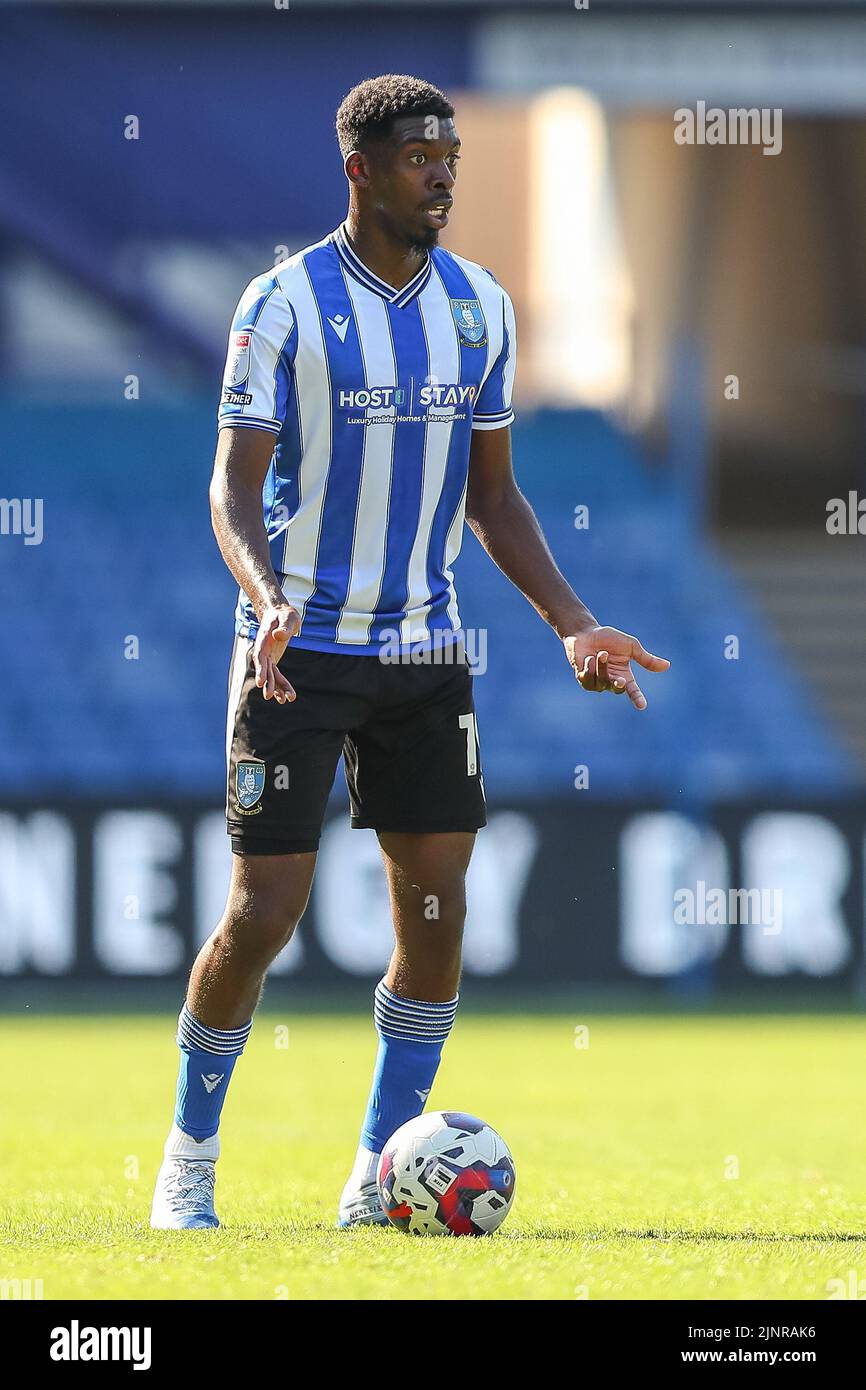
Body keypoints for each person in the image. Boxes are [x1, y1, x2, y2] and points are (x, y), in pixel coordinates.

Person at [150, 73, 669, 1230]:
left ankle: (378, 1164)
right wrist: (262, 592)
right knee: (260, 914)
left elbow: (496, 500)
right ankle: (188, 1154)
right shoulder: (279, 304)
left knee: (434, 911)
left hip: (424, 652)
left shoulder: (479, 307)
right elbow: (231, 486)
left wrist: (572, 622)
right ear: (361, 170)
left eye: (450, 155)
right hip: (294, 649)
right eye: (418, 156)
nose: (441, 172)